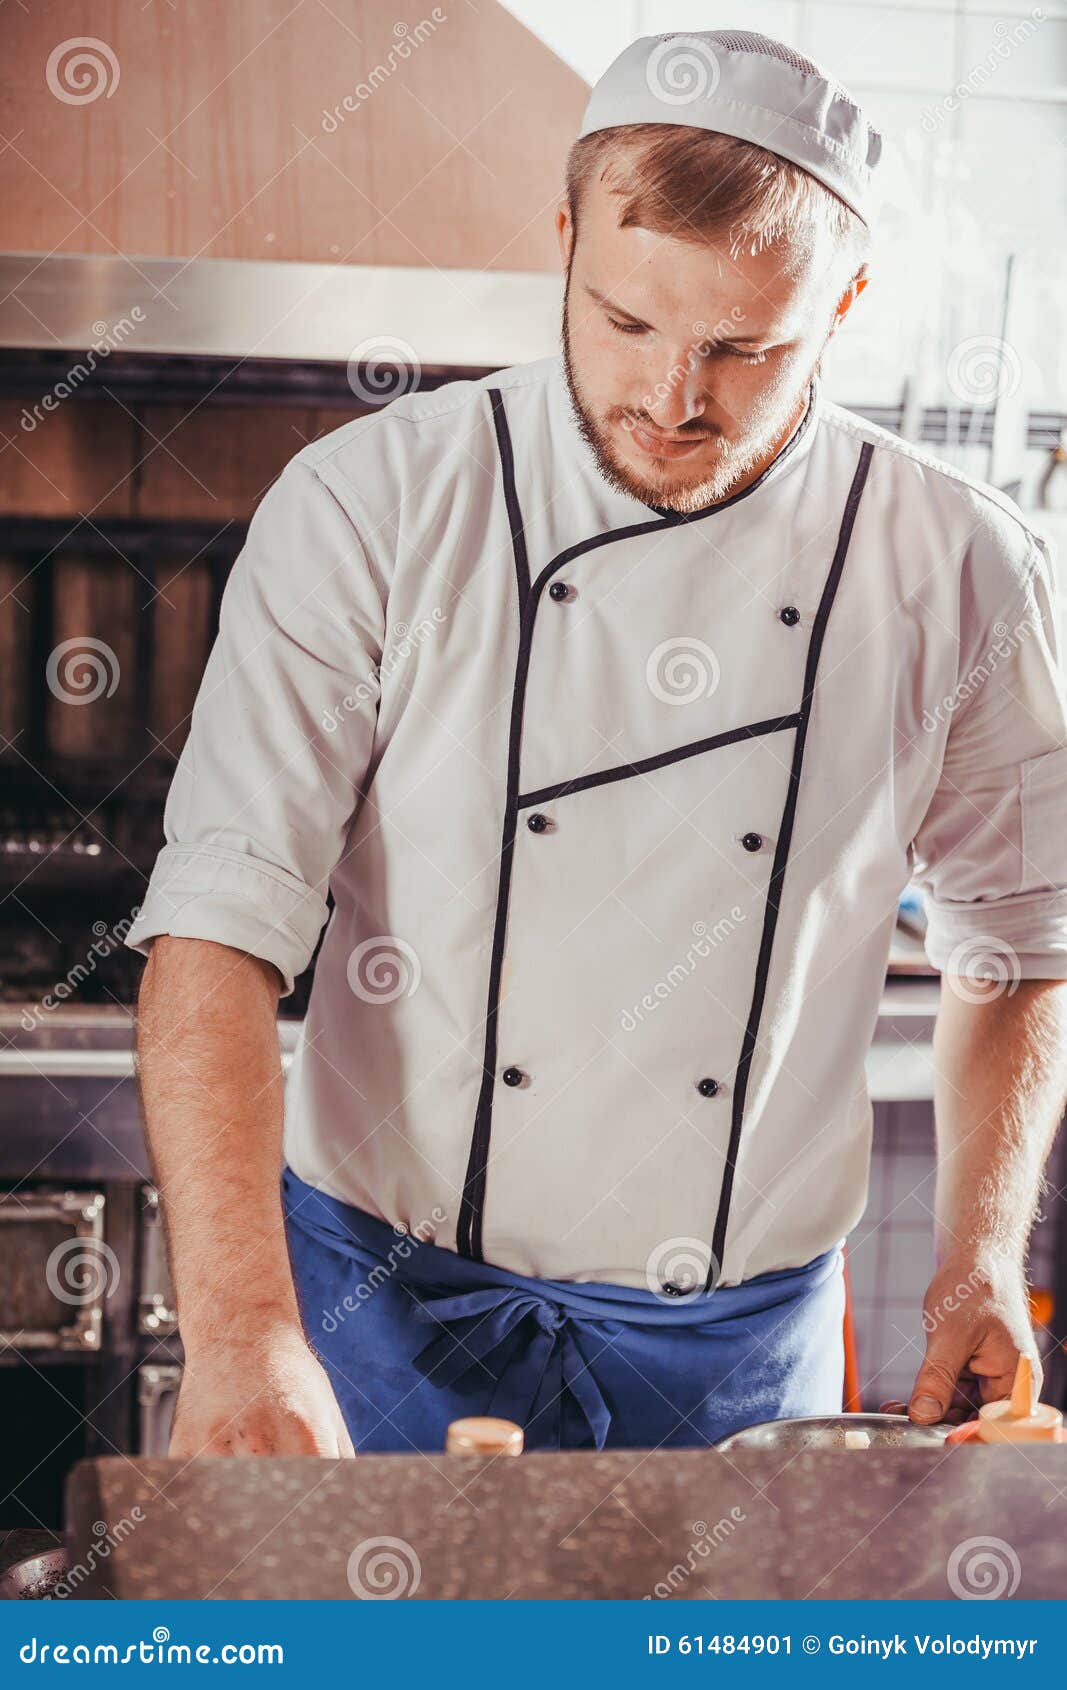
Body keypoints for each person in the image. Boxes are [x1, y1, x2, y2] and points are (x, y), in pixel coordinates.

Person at [127, 30, 1067, 1457]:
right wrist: (243, 1325)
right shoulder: (372, 503)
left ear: (849, 301)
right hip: (375, 1308)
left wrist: (979, 1252)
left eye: (744, 349)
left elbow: (1020, 943)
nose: (673, 398)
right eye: (627, 321)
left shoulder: (962, 566)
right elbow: (217, 923)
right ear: (564, 240)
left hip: (738, 1356)